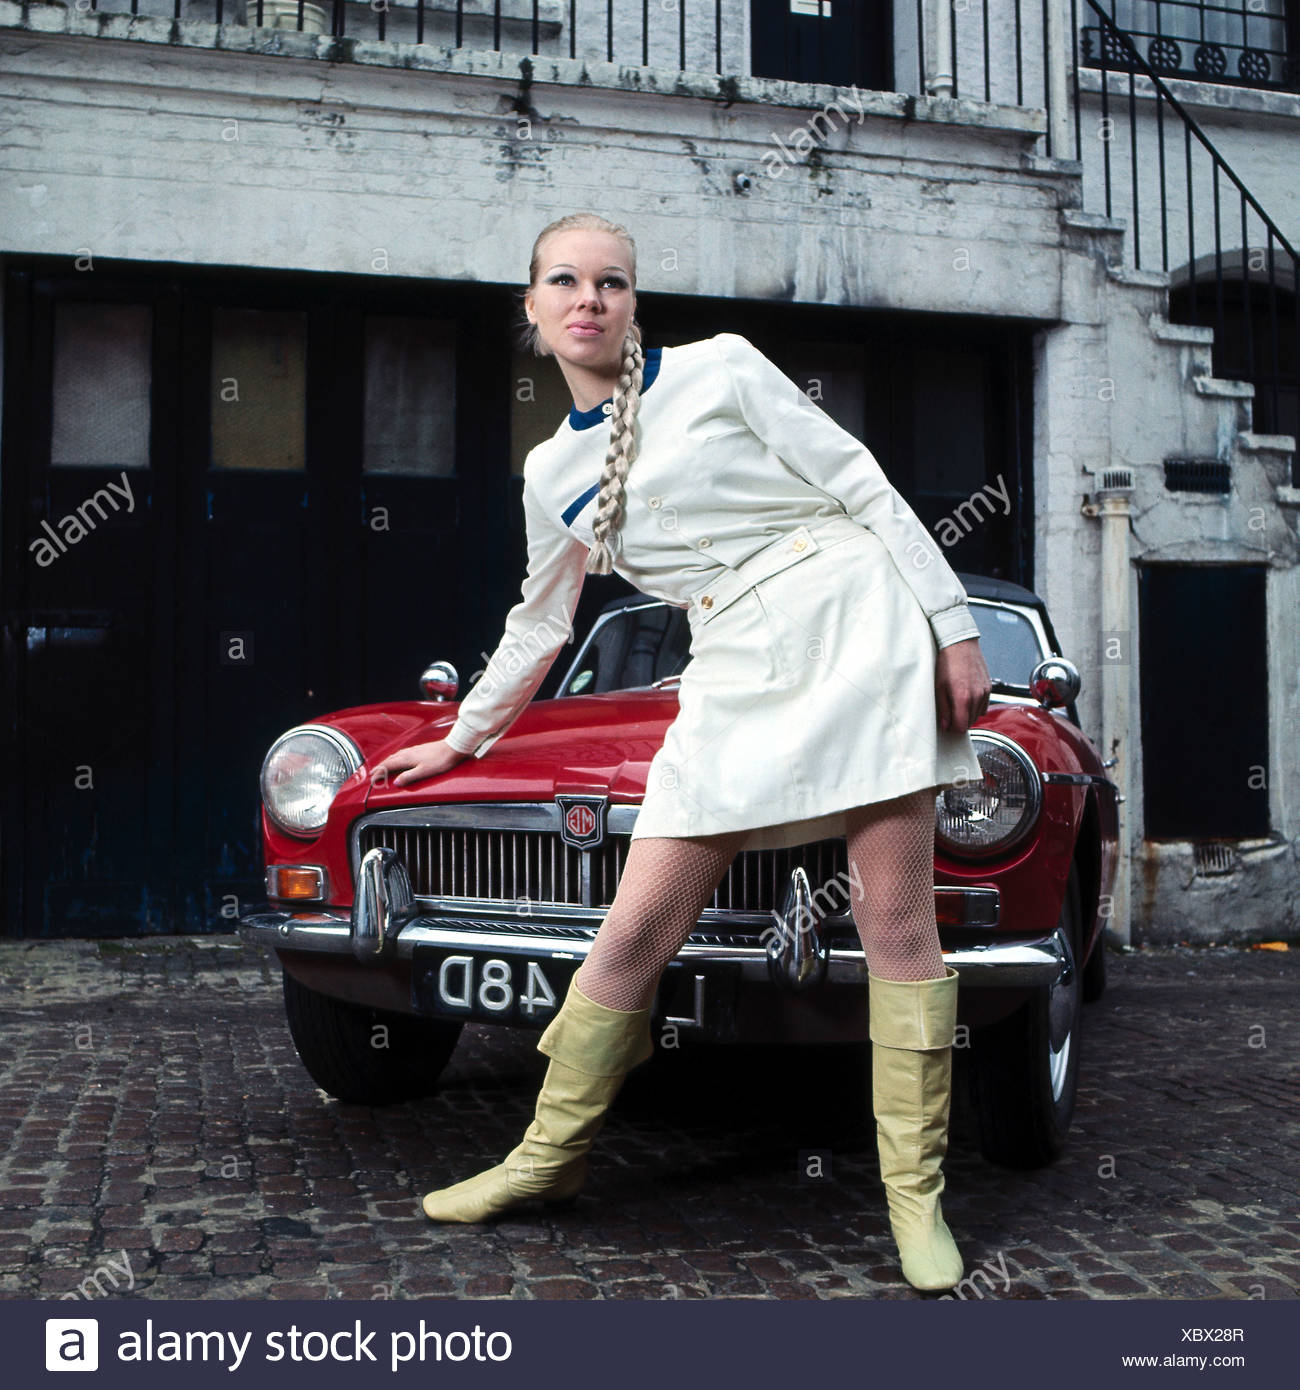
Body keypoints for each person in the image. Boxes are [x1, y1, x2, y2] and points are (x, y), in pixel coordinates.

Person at [369, 212, 993, 1292]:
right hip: (731, 657)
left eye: (611, 281)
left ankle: (914, 1197)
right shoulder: (548, 470)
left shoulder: (721, 367)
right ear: (531, 308)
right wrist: (460, 736)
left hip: (856, 617)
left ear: (632, 300)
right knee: (631, 933)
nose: (589, 299)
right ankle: (544, 1160)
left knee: (894, 920)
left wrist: (952, 624)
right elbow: (539, 622)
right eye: (565, 281)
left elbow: (860, 480)